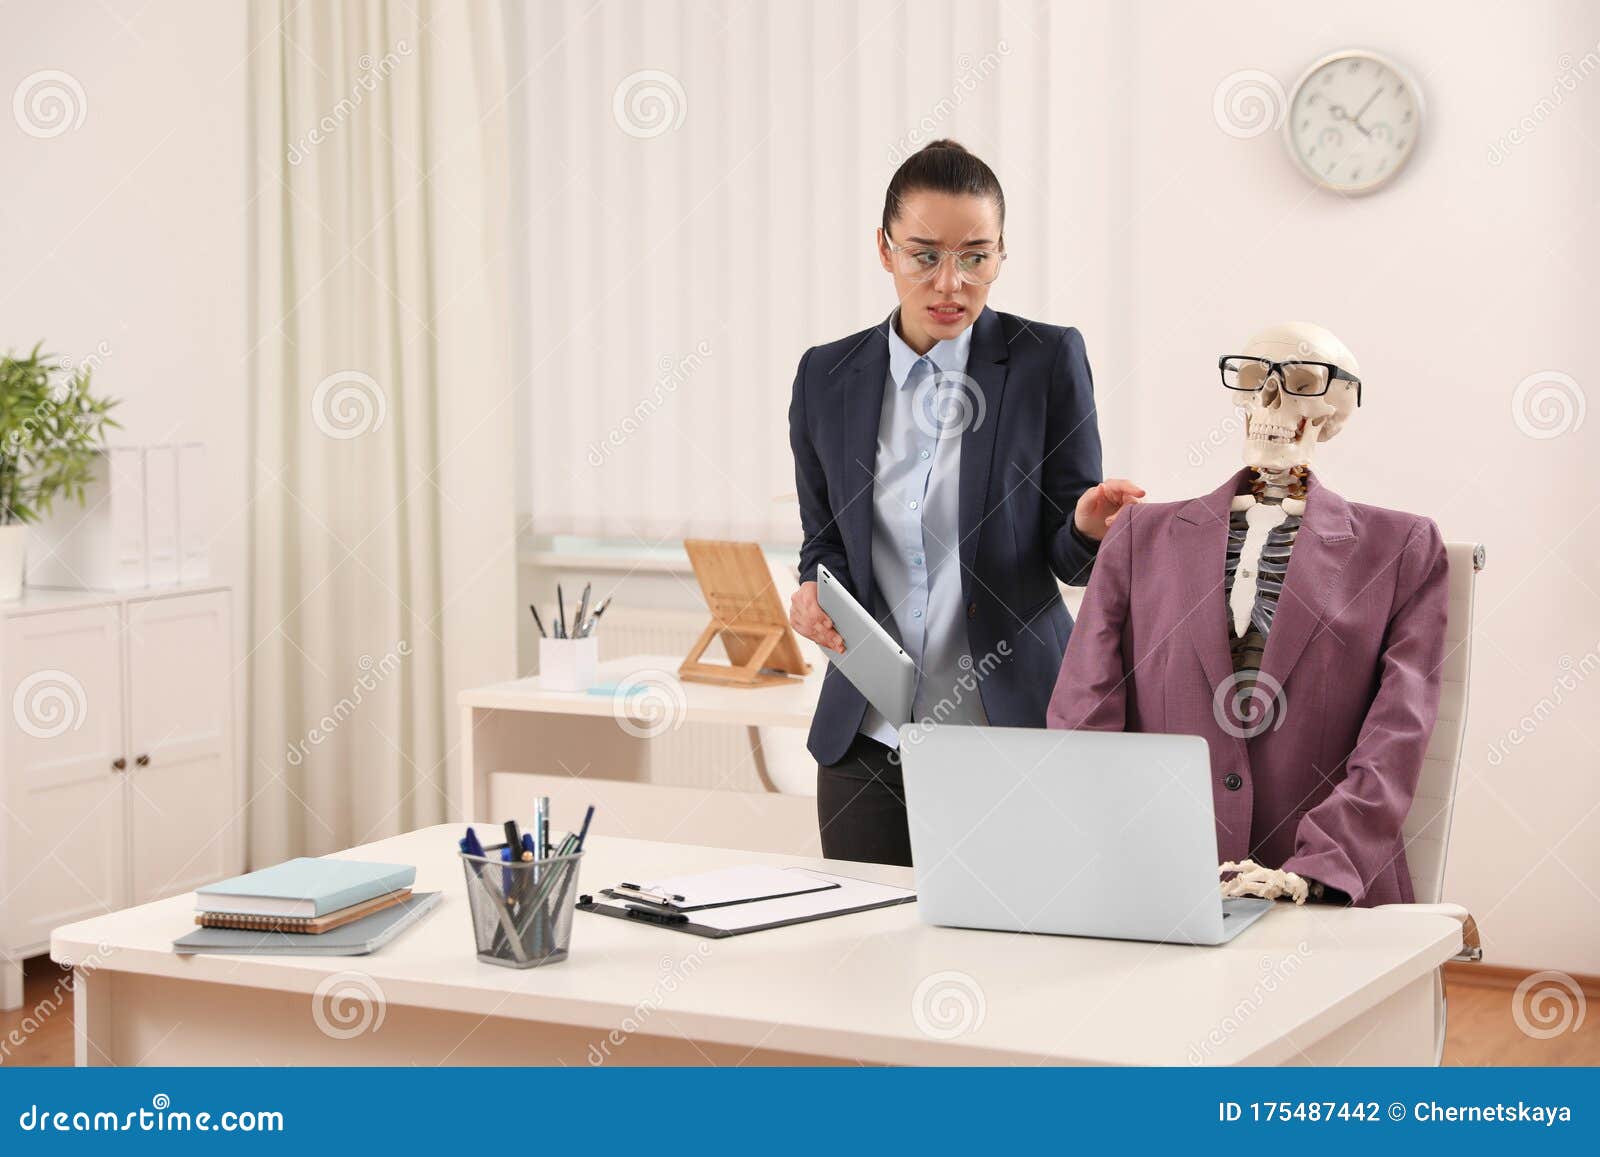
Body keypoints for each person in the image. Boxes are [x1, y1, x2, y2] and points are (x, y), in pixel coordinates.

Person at [787, 139, 1142, 866]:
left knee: (1009, 937)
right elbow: (825, 541)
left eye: (976, 256)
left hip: (1009, 733)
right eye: (924, 256)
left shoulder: (1045, 360)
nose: (951, 282)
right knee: (865, 934)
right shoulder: (826, 375)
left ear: (1001, 255)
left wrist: (1085, 526)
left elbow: (1071, 560)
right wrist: (811, 590)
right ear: (884, 250)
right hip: (867, 740)